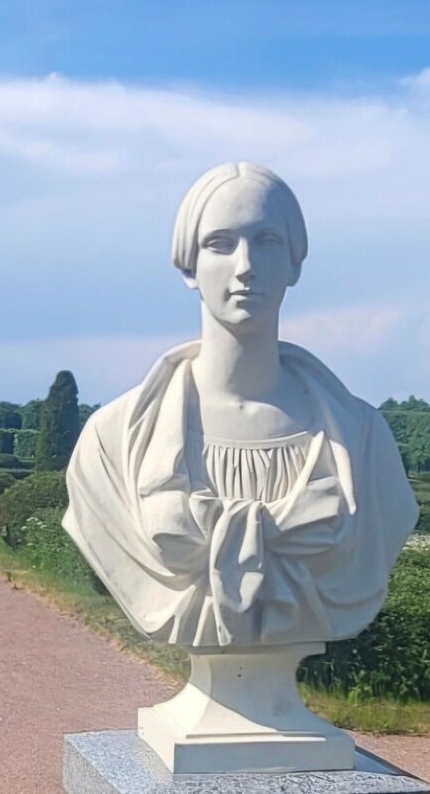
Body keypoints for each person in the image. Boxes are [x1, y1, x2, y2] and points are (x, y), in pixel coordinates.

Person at [63, 162, 417, 648]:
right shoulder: (110, 443)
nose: (244, 265)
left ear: (295, 262)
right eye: (221, 243)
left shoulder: (363, 439)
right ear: (188, 266)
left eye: (267, 241)